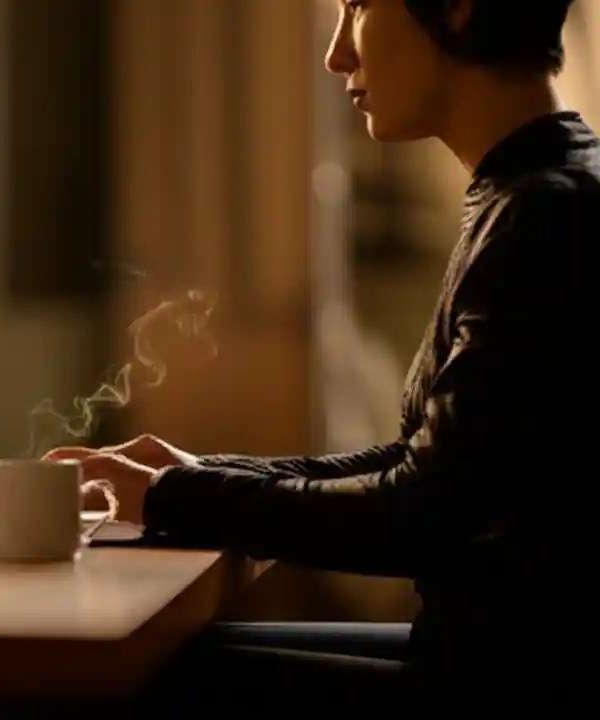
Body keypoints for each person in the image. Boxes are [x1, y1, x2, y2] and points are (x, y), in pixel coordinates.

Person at [47, 0, 595, 707]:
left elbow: (420, 511)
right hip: (488, 652)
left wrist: (175, 496)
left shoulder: (543, 217)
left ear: (459, 10)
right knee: (160, 651)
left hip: (507, 678)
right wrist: (202, 475)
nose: (337, 53)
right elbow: (424, 462)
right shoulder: (535, 192)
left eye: (358, 8)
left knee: (128, 675)